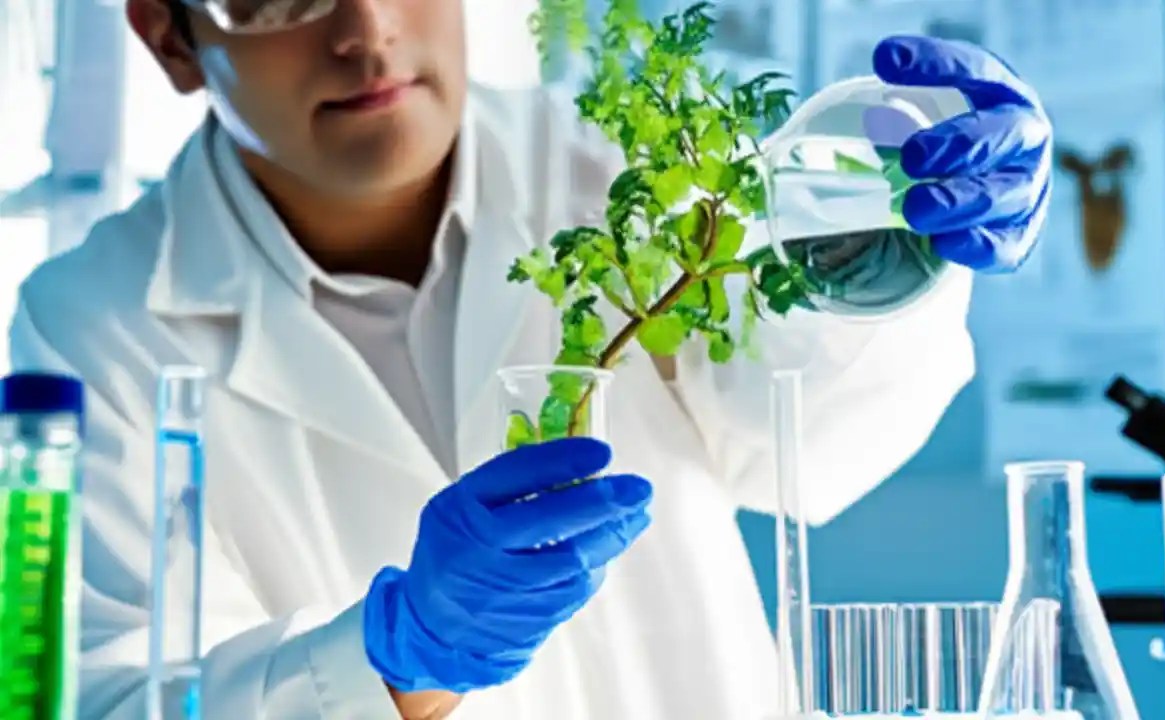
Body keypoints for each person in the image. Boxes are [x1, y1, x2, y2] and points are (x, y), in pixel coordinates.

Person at [7, 0, 1052, 717]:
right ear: (168, 37)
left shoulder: (629, 174)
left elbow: (813, 460)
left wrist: (888, 262)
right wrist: (387, 661)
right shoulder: (89, 325)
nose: (365, 29)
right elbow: (107, 696)